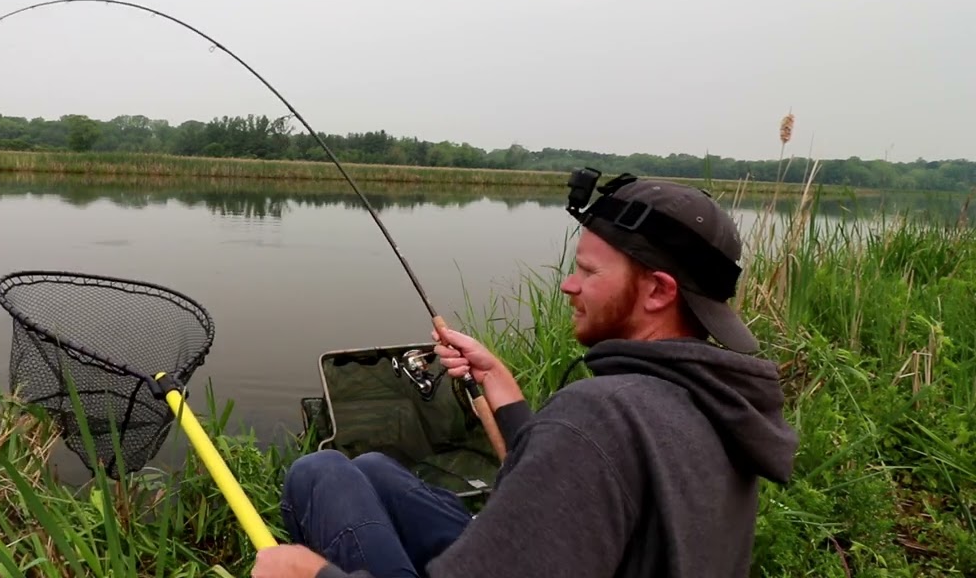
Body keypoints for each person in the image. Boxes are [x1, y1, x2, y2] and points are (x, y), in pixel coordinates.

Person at [251, 172, 800, 578]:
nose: (568, 285)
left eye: (587, 271)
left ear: (658, 291)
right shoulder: (716, 405)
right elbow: (585, 495)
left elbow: (587, 452)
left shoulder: (603, 415)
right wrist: (503, 390)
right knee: (370, 465)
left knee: (318, 473)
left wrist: (309, 574)